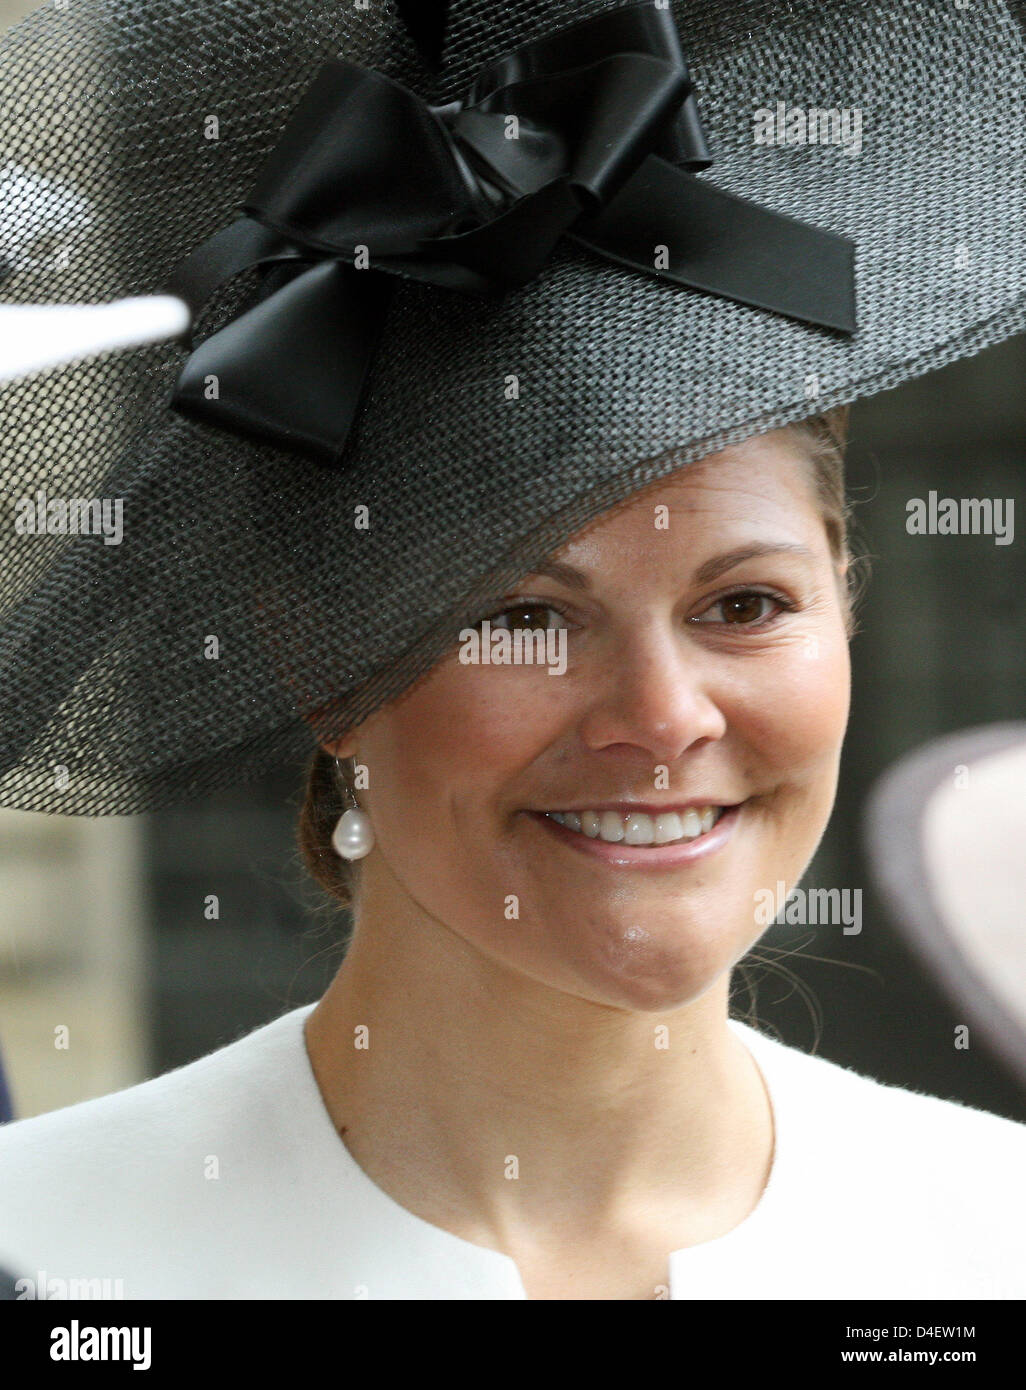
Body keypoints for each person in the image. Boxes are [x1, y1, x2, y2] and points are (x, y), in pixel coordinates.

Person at [0, 0, 1024, 1300]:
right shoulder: (46, 1261)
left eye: (744, 605)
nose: (662, 718)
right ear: (322, 656)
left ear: (846, 598)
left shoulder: (996, 1237)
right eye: (526, 614)